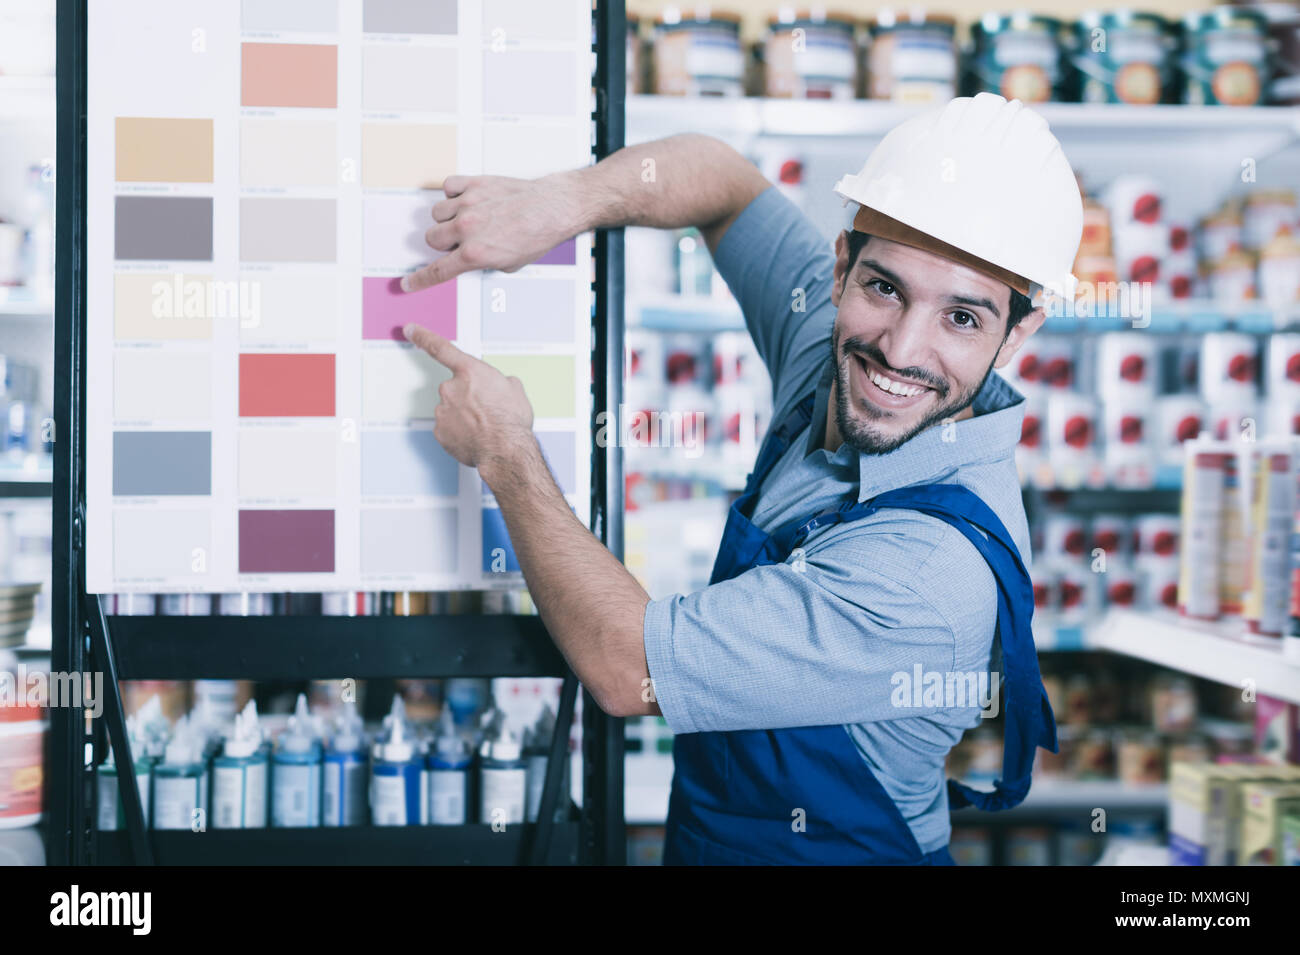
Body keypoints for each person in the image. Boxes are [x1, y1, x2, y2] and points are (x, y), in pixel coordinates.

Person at [401, 93, 1082, 864]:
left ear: (1019, 332)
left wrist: (506, 453)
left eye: (963, 317)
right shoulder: (825, 355)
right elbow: (724, 182)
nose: (900, 348)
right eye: (884, 286)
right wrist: (561, 203)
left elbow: (633, 669)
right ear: (840, 268)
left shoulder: (927, 577)